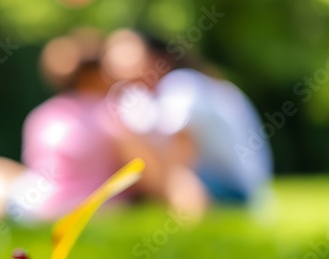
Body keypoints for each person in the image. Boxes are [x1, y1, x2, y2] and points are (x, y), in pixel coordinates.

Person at [0, 28, 186, 223]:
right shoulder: (113, 115)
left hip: (39, 206)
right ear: (98, 72)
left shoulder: (44, 116)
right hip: (85, 208)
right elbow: (147, 173)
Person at [106, 30, 273, 215]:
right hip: (234, 188)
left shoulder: (181, 86)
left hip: (233, 191)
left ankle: (186, 215)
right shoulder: (182, 88)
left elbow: (182, 156)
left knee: (171, 170)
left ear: (158, 59)